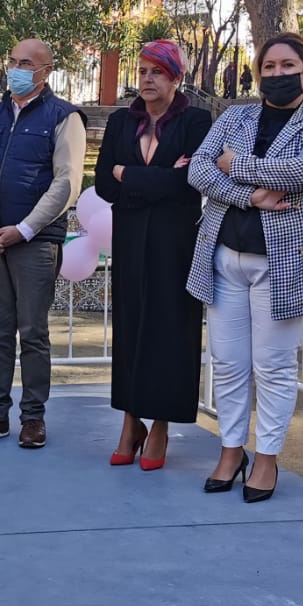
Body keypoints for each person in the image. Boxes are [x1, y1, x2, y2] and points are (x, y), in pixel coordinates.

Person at [187, 31, 303, 504]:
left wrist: (234, 164)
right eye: (268, 67)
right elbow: (198, 168)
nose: (276, 74)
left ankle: (268, 457)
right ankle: (231, 450)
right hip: (224, 257)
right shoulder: (235, 116)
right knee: (228, 364)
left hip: (287, 260)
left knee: (273, 366)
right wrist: (250, 194)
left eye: (287, 65)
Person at [0, 38, 86, 449]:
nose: (15, 68)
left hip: (35, 243)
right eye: (12, 60)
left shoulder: (63, 117)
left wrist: (25, 229)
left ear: (46, 71)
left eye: (25, 63)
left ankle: (33, 417)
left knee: (32, 332)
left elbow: (66, 182)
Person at [93, 40, 213, 471]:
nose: (146, 79)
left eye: (156, 72)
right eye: (142, 71)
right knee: (130, 327)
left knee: (169, 328)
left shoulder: (196, 121)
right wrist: (159, 177)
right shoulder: (122, 123)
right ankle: (130, 420)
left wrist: (132, 175)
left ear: (175, 77)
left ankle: (160, 423)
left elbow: (192, 183)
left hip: (175, 242)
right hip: (128, 240)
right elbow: (105, 183)